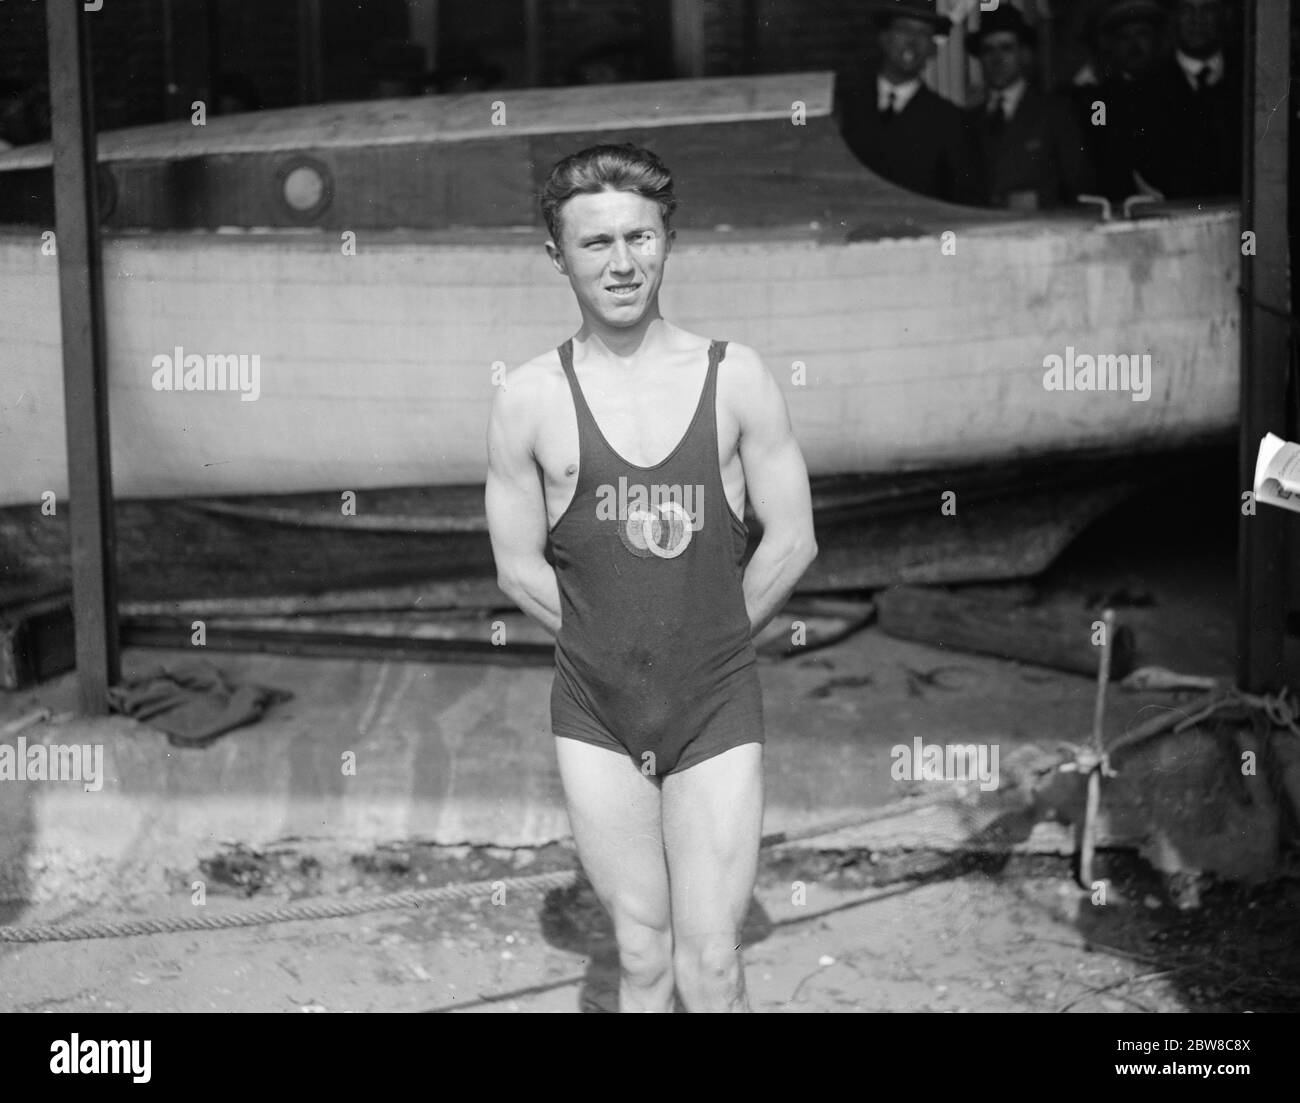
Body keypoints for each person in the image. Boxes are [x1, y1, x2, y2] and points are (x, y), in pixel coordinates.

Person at [485, 144, 817, 1012]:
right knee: (640, 956)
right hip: (596, 707)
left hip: (713, 701)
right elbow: (517, 564)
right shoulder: (528, 397)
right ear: (556, 256)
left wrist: (706, 637)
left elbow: (794, 538)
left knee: (710, 963)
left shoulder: (733, 376)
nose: (622, 262)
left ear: (670, 240)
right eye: (596, 244)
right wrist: (609, 639)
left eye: (640, 237)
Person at [837, 0, 980, 204]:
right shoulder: (845, 107)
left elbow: (964, 199)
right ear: (884, 38)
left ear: (933, 49)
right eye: (904, 29)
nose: (912, 41)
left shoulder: (949, 120)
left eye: (923, 33)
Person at [967, 5, 1093, 210]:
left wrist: (1040, 199)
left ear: (1024, 54)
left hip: (1040, 232)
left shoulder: (1056, 112)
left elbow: (1081, 187)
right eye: (988, 50)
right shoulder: (969, 119)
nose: (997, 59)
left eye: (1006, 48)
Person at [1133, 0, 1241, 198]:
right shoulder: (1143, 89)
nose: (1196, 20)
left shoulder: (1250, 79)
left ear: (1225, 15)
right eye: (1186, 9)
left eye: (1207, 9)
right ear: (1173, 17)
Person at [1086, 0, 1172, 200]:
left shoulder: (1177, 89)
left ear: (1157, 39)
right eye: (1125, 37)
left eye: (1142, 34)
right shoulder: (1099, 100)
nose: (1134, 45)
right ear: (1112, 46)